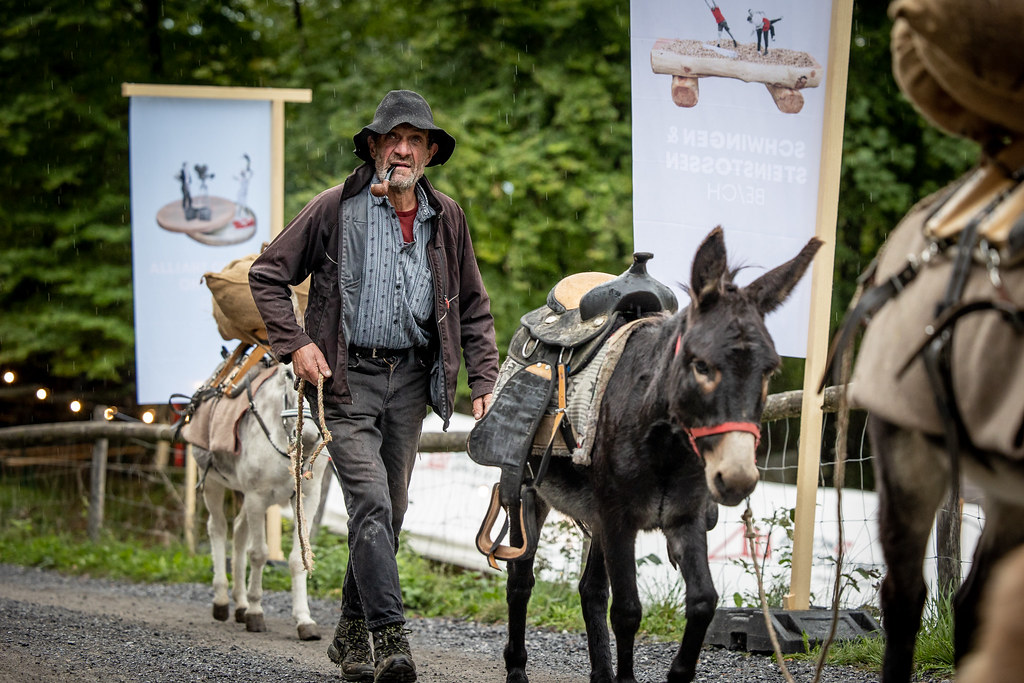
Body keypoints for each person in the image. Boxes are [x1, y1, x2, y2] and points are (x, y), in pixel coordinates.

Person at [249, 89, 499, 683]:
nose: (404, 149)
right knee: (371, 504)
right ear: (374, 147)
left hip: (413, 380)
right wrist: (298, 344)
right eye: (394, 138)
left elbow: (473, 307)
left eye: (416, 140)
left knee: (393, 510)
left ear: (431, 152)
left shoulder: (448, 218)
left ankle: (350, 635)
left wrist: (485, 378)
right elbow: (266, 275)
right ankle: (392, 639)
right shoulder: (335, 207)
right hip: (346, 379)